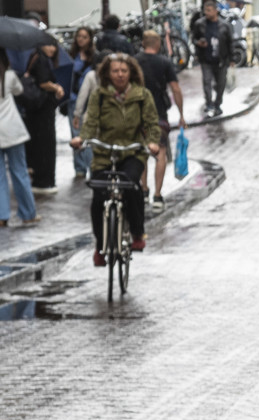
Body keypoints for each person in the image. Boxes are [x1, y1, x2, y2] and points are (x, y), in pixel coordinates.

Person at [71, 53, 159, 260]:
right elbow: (91, 121)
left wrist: (152, 141)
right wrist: (82, 138)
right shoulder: (100, 95)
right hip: (105, 153)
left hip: (132, 152)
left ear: (131, 73)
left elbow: (151, 123)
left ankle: (137, 232)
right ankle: (100, 245)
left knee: (131, 186)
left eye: (124, 71)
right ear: (107, 74)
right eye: (115, 71)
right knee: (98, 195)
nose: (120, 75)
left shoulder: (142, 95)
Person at [0, 50, 38, 228]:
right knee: (19, 171)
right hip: (11, 129)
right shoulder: (9, 76)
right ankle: (28, 214)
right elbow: (19, 90)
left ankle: (1, 216)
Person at [135, 30, 181, 206]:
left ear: (143, 43)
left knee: (142, 152)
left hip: (138, 113)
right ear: (158, 44)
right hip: (159, 113)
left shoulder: (134, 62)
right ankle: (157, 194)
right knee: (160, 151)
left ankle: (144, 189)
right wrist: (181, 114)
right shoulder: (164, 62)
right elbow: (175, 88)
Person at [21, 41, 61, 194]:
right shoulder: (42, 59)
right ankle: (44, 181)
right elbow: (43, 83)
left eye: (54, 46)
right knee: (45, 144)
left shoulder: (35, 57)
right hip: (42, 109)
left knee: (40, 143)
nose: (52, 49)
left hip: (37, 109)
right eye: (49, 45)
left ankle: (40, 178)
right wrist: (57, 87)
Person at [64, 27, 97, 177]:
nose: (81, 39)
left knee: (89, 134)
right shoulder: (71, 56)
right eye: (79, 36)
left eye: (84, 36)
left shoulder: (94, 57)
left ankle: (91, 166)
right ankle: (79, 168)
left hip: (90, 101)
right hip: (73, 99)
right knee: (76, 133)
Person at [190, 0, 232, 116]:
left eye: (209, 10)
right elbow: (193, 38)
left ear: (215, 11)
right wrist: (198, 43)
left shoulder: (225, 25)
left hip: (221, 60)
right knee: (207, 82)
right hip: (206, 59)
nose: (206, 13)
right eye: (205, 10)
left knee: (221, 84)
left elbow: (230, 42)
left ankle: (217, 104)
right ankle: (209, 104)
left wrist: (231, 59)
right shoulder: (199, 24)